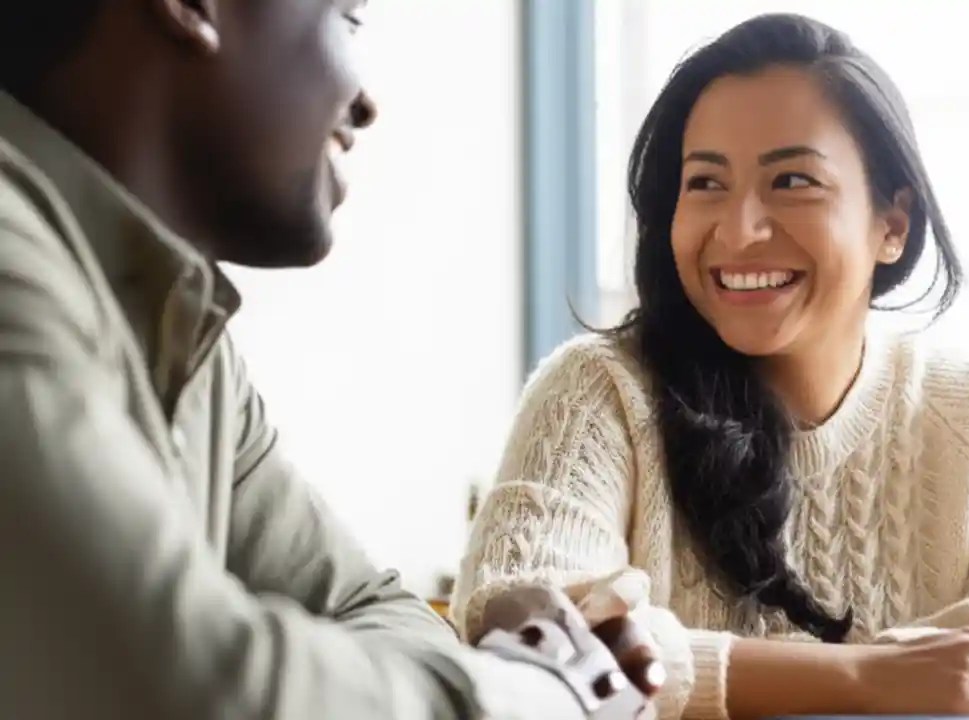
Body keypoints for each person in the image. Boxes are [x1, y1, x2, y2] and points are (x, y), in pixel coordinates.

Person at [452, 12, 969, 720]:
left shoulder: (965, 409)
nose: (739, 230)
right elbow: (525, 636)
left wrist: (923, 670)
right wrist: (869, 679)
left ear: (893, 224)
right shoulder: (598, 392)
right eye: (704, 184)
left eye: (792, 181)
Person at [0, 2, 660, 719]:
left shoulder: (187, 337)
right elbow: (191, 688)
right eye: (347, 15)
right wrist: (548, 693)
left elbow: (367, 605)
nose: (366, 103)